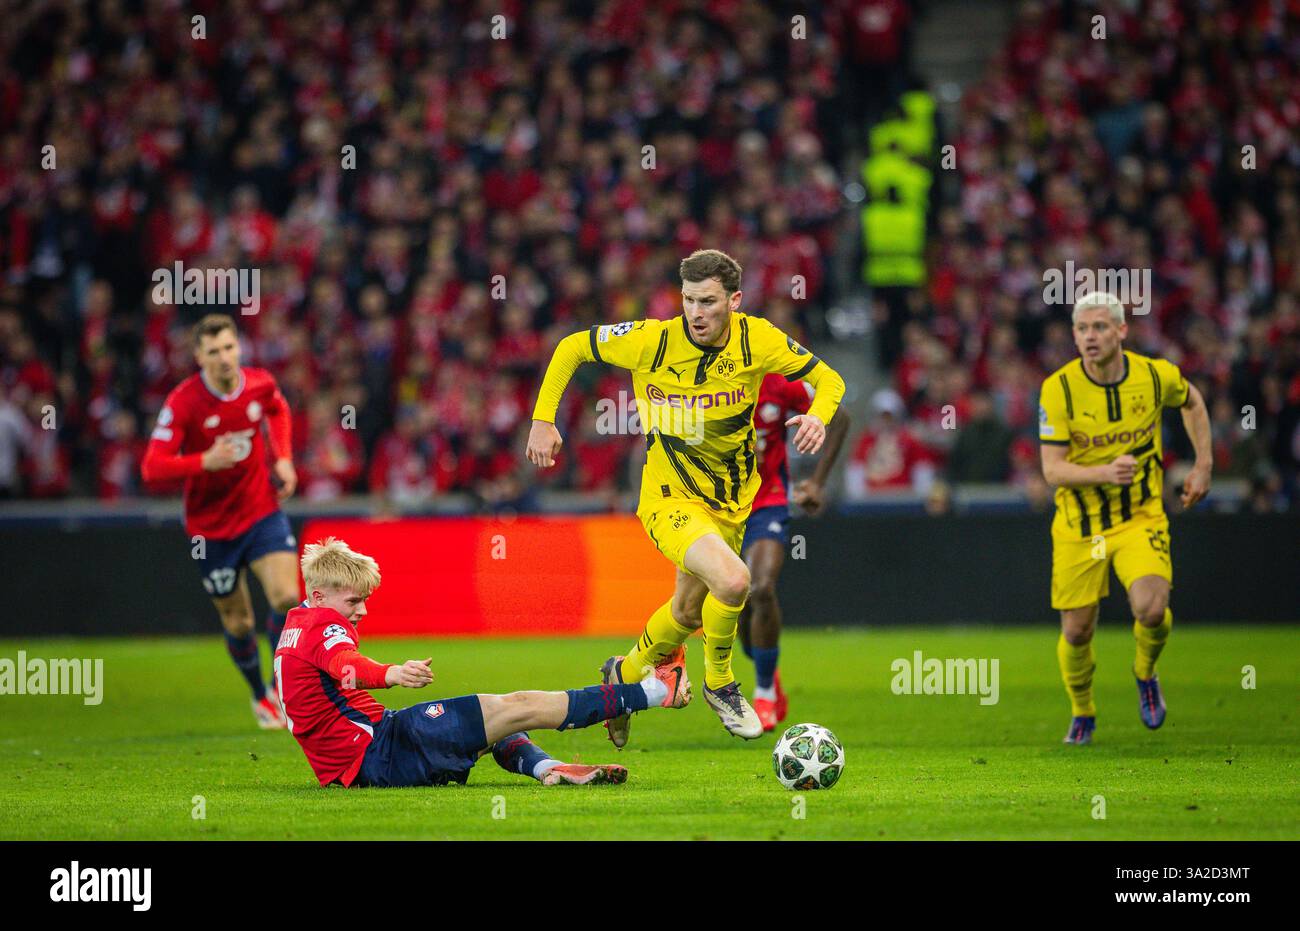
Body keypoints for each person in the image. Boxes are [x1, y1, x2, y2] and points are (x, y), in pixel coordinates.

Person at [526, 249, 845, 744]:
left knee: (687, 612)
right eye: (689, 300)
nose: (696, 312)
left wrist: (819, 416)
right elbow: (570, 347)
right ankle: (721, 681)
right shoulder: (650, 341)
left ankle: (623, 675)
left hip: (733, 503)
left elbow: (829, 378)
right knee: (736, 581)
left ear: (734, 301)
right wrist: (544, 420)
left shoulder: (757, 339)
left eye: (709, 302)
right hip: (669, 499)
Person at [275, 538, 690, 788]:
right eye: (353, 601)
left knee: (493, 725)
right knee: (517, 705)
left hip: (369, 757)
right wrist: (392, 673)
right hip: (381, 751)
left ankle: (549, 769)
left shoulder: (296, 626)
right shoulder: (322, 624)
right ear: (318, 596)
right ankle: (654, 691)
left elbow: (333, 676)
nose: (362, 611)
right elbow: (346, 663)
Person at [1038, 292, 1212, 745]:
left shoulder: (1154, 376)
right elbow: (1052, 470)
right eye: (1082, 329)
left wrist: (1203, 465)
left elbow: (1192, 401)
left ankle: (1145, 673)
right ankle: (1083, 711)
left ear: (1121, 331)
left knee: (1152, 609)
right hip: (1080, 525)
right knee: (1077, 630)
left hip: (1140, 516)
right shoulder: (1058, 388)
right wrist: (1103, 471)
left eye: (1099, 327)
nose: (1090, 337)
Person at [141, 313, 300, 729]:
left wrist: (282, 458)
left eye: (229, 347)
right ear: (199, 357)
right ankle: (258, 695)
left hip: (260, 510)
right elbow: (152, 468)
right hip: (211, 531)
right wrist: (203, 461)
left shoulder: (260, 383)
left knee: (287, 597)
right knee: (239, 621)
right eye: (213, 351)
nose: (224, 358)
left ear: (239, 347)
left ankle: (281, 684)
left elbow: (278, 410)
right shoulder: (183, 402)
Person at [738, 370, 850, 730]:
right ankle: (767, 671)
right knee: (734, 608)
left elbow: (841, 416)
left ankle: (764, 692)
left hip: (767, 502)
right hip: (715, 507)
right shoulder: (700, 380)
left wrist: (817, 482)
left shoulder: (778, 382)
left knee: (761, 588)